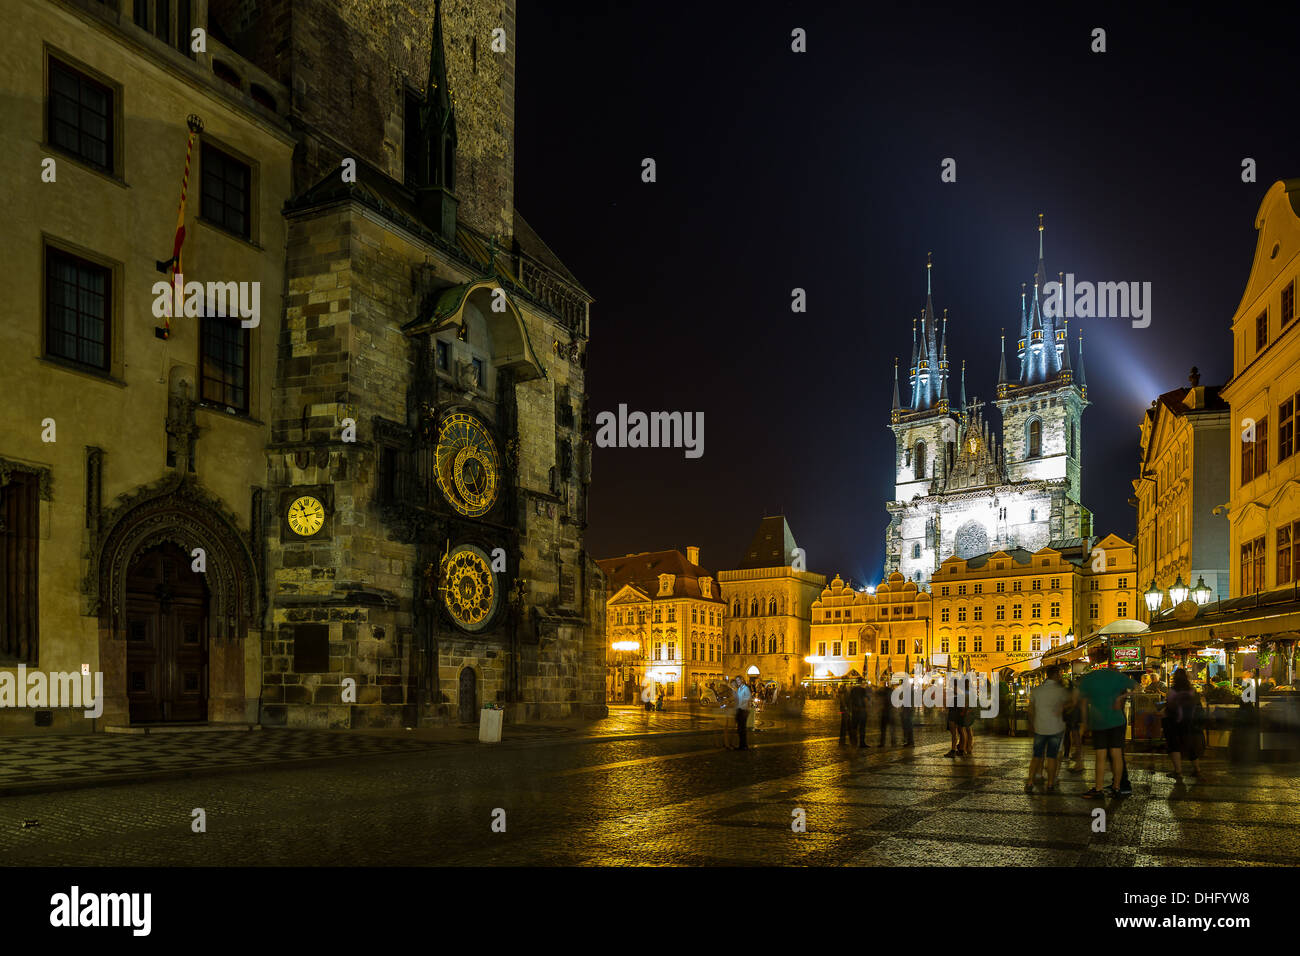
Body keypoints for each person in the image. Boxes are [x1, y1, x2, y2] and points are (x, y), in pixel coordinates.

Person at [1078, 647, 1136, 798]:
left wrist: (1084, 723)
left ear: (1092, 660)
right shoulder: (1116, 676)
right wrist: (1121, 698)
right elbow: (1138, 687)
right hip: (1117, 720)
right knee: (1116, 753)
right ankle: (1117, 787)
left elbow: (1083, 703)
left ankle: (1098, 789)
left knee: (1101, 756)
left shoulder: (1089, 678)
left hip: (1099, 721)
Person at [1025, 666, 1071, 793]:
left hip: (1040, 727)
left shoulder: (1037, 690)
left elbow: (1030, 709)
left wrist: (1031, 724)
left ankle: (1030, 782)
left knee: (1036, 756)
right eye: (1060, 674)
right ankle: (1050, 784)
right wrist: (1062, 707)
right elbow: (1071, 702)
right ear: (1055, 675)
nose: (1061, 676)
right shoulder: (1060, 691)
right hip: (1056, 727)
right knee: (1052, 757)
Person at [1163, 667, 1205, 781]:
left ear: (1174, 678)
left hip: (1173, 722)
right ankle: (1197, 769)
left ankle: (1178, 771)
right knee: (1190, 745)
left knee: (1174, 745)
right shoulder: (1192, 690)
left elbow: (1169, 706)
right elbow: (1197, 705)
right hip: (1189, 721)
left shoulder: (1173, 691)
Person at [849, 678, 870, 748]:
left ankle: (854, 742)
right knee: (862, 728)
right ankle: (862, 742)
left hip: (855, 711)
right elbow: (866, 699)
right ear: (861, 683)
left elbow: (850, 700)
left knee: (854, 727)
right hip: (862, 711)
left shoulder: (853, 690)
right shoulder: (863, 690)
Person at [734, 677, 752, 750]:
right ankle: (741, 745)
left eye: (738, 680)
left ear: (742, 680)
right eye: (736, 680)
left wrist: (742, 703)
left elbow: (748, 697)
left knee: (742, 729)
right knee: (739, 729)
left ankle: (744, 746)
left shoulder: (746, 688)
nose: (737, 681)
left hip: (744, 710)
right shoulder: (739, 689)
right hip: (739, 709)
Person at [878, 678, 897, 747]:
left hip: (885, 712)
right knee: (891, 729)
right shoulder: (892, 691)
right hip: (890, 712)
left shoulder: (883, 691)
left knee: (883, 729)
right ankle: (893, 742)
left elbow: (879, 699)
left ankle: (882, 743)